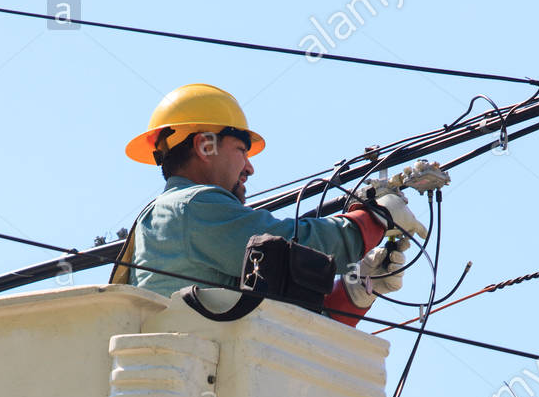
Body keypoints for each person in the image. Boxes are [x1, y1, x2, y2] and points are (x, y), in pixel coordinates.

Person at [113, 83, 422, 322]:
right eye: (240, 149)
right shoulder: (191, 207)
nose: (249, 168)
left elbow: (288, 323)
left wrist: (358, 289)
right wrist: (374, 219)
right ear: (204, 145)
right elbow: (289, 244)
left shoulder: (175, 219)